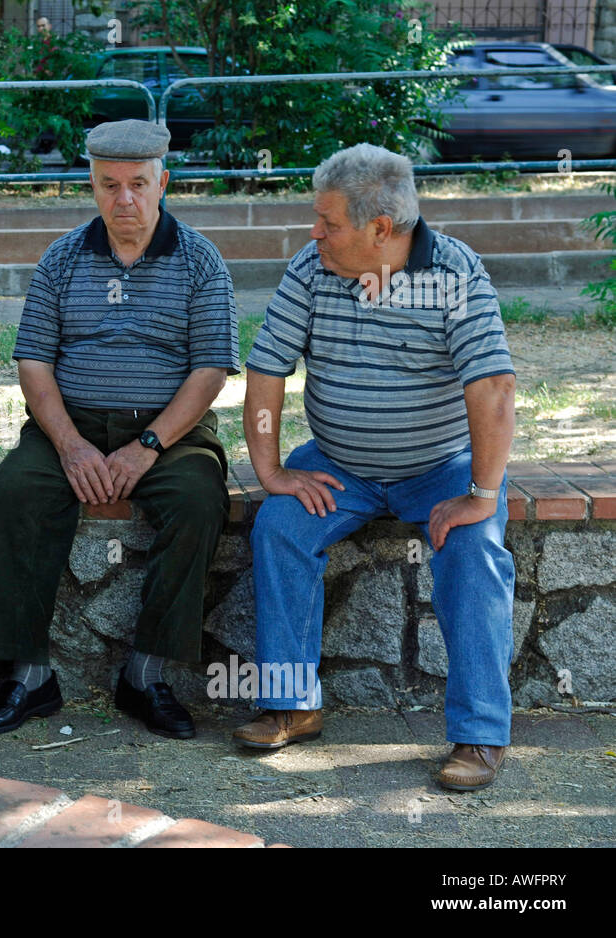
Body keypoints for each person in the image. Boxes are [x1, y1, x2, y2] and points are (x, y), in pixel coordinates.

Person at [235, 143, 517, 792]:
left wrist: (481, 493)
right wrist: (273, 470)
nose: (314, 233)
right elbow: (265, 371)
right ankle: (292, 706)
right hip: (341, 466)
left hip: (442, 467)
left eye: (328, 223)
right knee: (279, 526)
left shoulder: (455, 273)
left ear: (381, 230)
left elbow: (494, 389)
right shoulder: (312, 267)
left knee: (475, 550)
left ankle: (479, 736)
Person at [0, 119, 239, 739]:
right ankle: (29, 677)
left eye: (138, 185)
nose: (125, 200)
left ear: (162, 182)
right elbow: (33, 361)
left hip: (170, 430)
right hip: (69, 422)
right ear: (91, 185)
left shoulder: (200, 261)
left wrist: (148, 447)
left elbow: (210, 369)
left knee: (198, 501)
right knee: (17, 493)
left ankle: (145, 675)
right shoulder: (62, 258)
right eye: (109, 185)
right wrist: (68, 444)